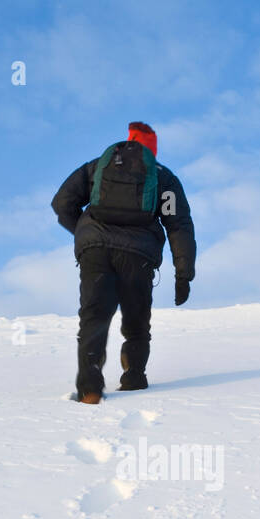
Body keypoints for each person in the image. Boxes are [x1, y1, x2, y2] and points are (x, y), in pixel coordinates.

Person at [51, 122, 196, 403]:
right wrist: (184, 273)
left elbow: (62, 203)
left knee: (94, 317)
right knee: (136, 320)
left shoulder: (98, 168)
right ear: (152, 149)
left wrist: (84, 232)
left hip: (95, 251)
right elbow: (177, 225)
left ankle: (90, 387)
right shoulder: (162, 178)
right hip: (138, 256)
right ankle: (134, 378)